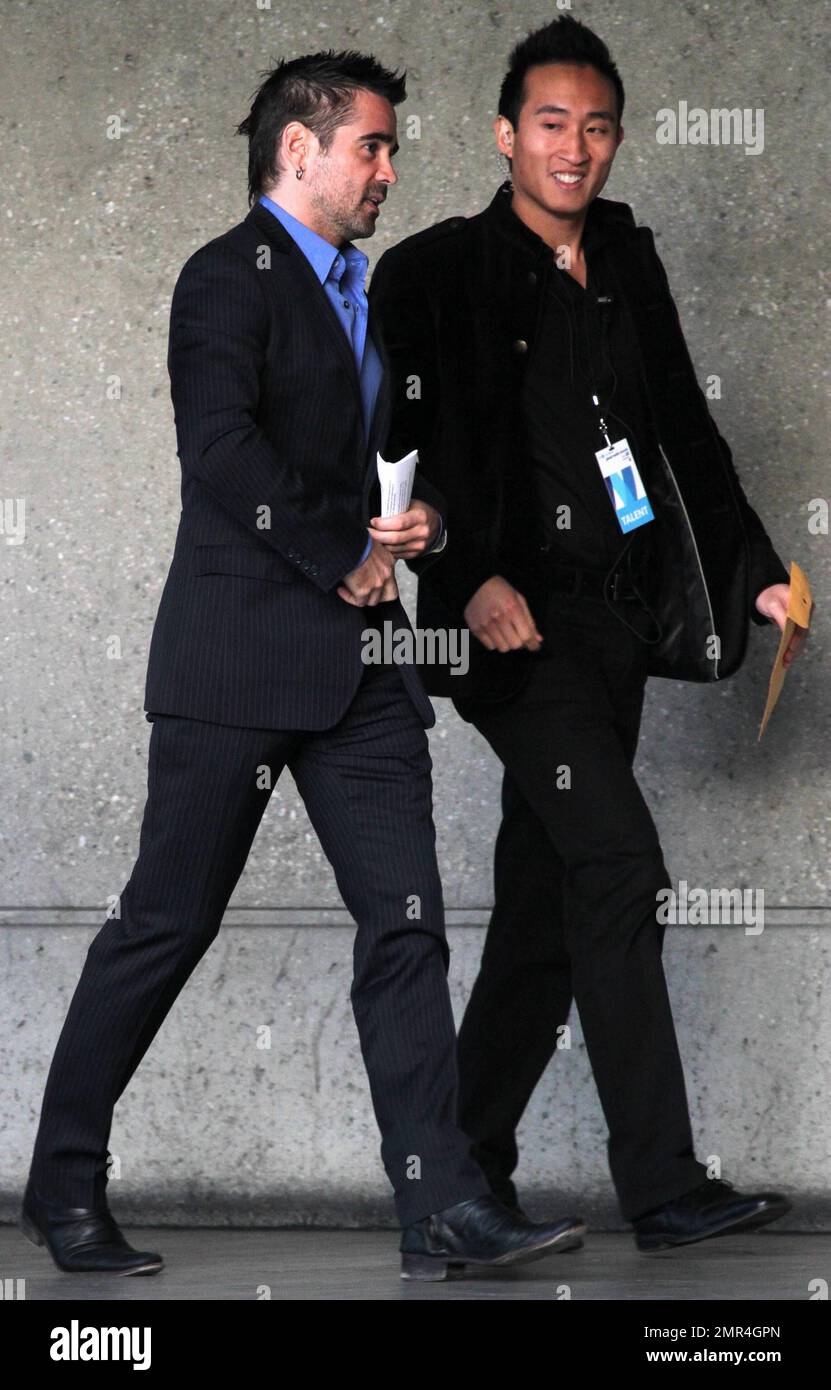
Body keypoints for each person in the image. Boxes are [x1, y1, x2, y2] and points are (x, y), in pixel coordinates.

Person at [20, 50, 587, 1282]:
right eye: (372, 146)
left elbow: (400, 448)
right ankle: (63, 1186)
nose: (390, 168)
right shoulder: (223, 281)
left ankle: (441, 1203)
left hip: (365, 672)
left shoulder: (370, 298)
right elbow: (219, 448)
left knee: (407, 925)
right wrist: (341, 554)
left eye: (391, 148)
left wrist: (424, 515)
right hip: (237, 662)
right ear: (298, 151)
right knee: (165, 924)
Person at [369, 16, 806, 1251]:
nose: (576, 147)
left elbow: (683, 433)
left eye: (597, 125)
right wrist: (463, 580)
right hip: (518, 632)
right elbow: (404, 452)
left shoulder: (623, 257)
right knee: (618, 867)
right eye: (551, 124)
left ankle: (452, 1188)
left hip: (616, 626)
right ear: (507, 135)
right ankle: (662, 1186)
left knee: (543, 910)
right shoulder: (439, 269)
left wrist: (759, 575)